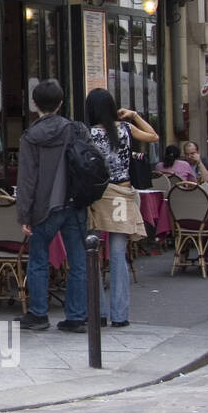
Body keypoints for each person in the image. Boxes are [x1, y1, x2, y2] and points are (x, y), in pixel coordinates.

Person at [15, 79, 87, 332]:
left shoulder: (31, 136)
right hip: (74, 202)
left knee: (38, 260)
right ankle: (77, 316)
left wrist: (24, 213)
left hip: (43, 207)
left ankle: (38, 314)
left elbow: (26, 179)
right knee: (78, 261)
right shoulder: (76, 130)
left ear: (34, 103)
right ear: (60, 103)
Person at [85, 88, 159, 329]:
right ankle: (120, 315)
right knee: (118, 256)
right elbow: (153, 136)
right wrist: (133, 115)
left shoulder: (88, 134)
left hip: (96, 195)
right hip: (121, 195)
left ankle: (99, 312)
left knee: (92, 254)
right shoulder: (125, 130)